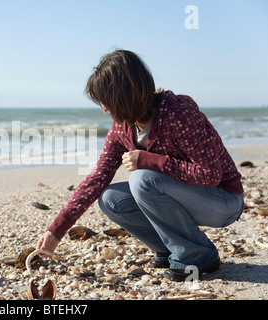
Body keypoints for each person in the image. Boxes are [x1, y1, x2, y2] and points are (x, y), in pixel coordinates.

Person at [36, 49, 244, 281]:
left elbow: (210, 175)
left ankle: (198, 255)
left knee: (142, 179)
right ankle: (170, 248)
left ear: (125, 95)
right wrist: (56, 230)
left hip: (223, 201)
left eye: (106, 100)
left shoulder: (179, 115)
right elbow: (97, 178)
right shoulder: (121, 128)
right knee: (110, 198)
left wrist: (149, 160)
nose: (104, 108)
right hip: (184, 197)